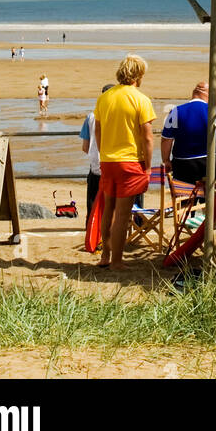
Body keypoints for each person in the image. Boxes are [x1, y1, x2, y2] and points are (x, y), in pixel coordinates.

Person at [94, 55, 155, 271]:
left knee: (108, 209)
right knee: (122, 214)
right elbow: (147, 137)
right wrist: (148, 166)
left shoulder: (105, 98)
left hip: (108, 160)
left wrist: (104, 153)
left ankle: (105, 256)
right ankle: (117, 261)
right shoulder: (140, 99)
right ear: (138, 75)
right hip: (129, 161)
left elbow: (98, 130)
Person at [161, 82, 216, 185]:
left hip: (183, 165)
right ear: (207, 94)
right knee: (211, 197)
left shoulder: (175, 111)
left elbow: (166, 139)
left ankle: (188, 200)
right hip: (211, 163)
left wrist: (166, 160)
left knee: (186, 198)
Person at [80, 84, 114, 221]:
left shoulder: (91, 117)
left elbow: (85, 147)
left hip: (96, 164)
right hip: (115, 163)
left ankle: (91, 227)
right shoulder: (120, 114)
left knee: (93, 200)